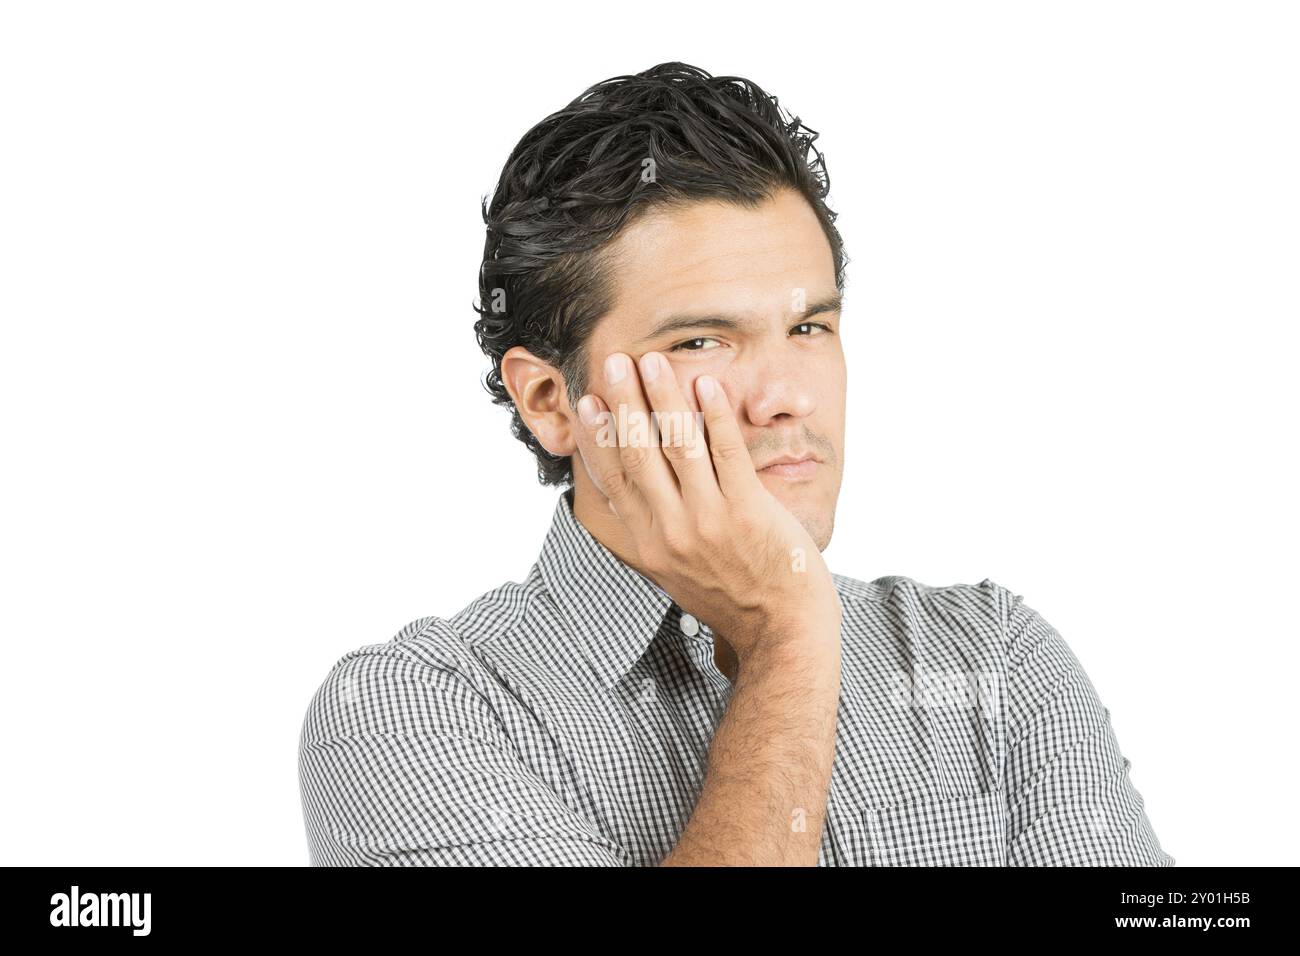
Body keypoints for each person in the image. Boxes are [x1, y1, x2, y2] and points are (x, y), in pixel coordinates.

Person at [298, 62, 1173, 867]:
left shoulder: (994, 660)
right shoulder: (410, 715)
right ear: (549, 402)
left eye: (807, 327)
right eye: (703, 340)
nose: (786, 394)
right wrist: (789, 634)